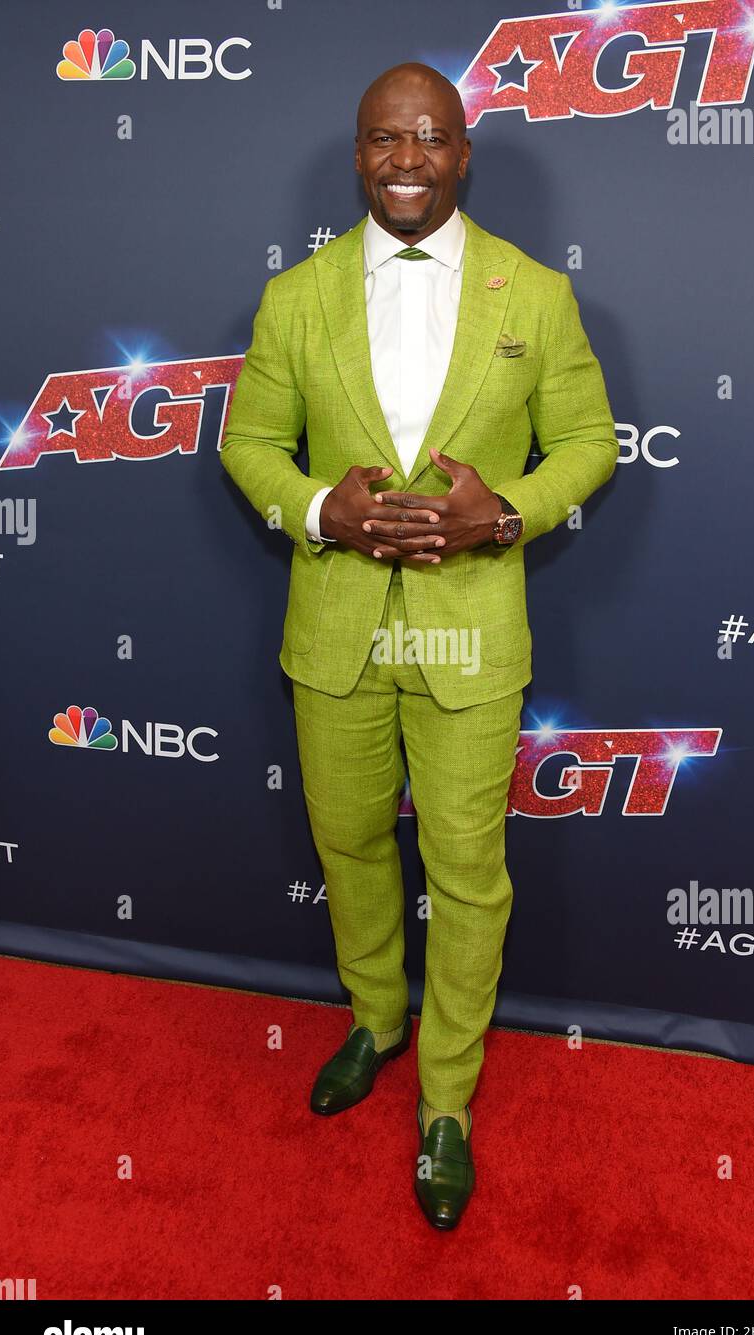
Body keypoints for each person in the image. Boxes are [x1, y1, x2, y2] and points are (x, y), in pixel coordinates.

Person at [221, 61, 618, 1230]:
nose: (406, 159)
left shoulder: (534, 294)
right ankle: (376, 1022)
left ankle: (445, 1096)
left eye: (429, 137)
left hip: (469, 629)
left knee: (464, 870)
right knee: (347, 844)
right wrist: (317, 510)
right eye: (385, 139)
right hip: (333, 625)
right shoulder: (295, 297)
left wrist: (503, 513)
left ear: (461, 153)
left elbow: (588, 442)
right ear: (358, 155)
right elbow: (247, 442)